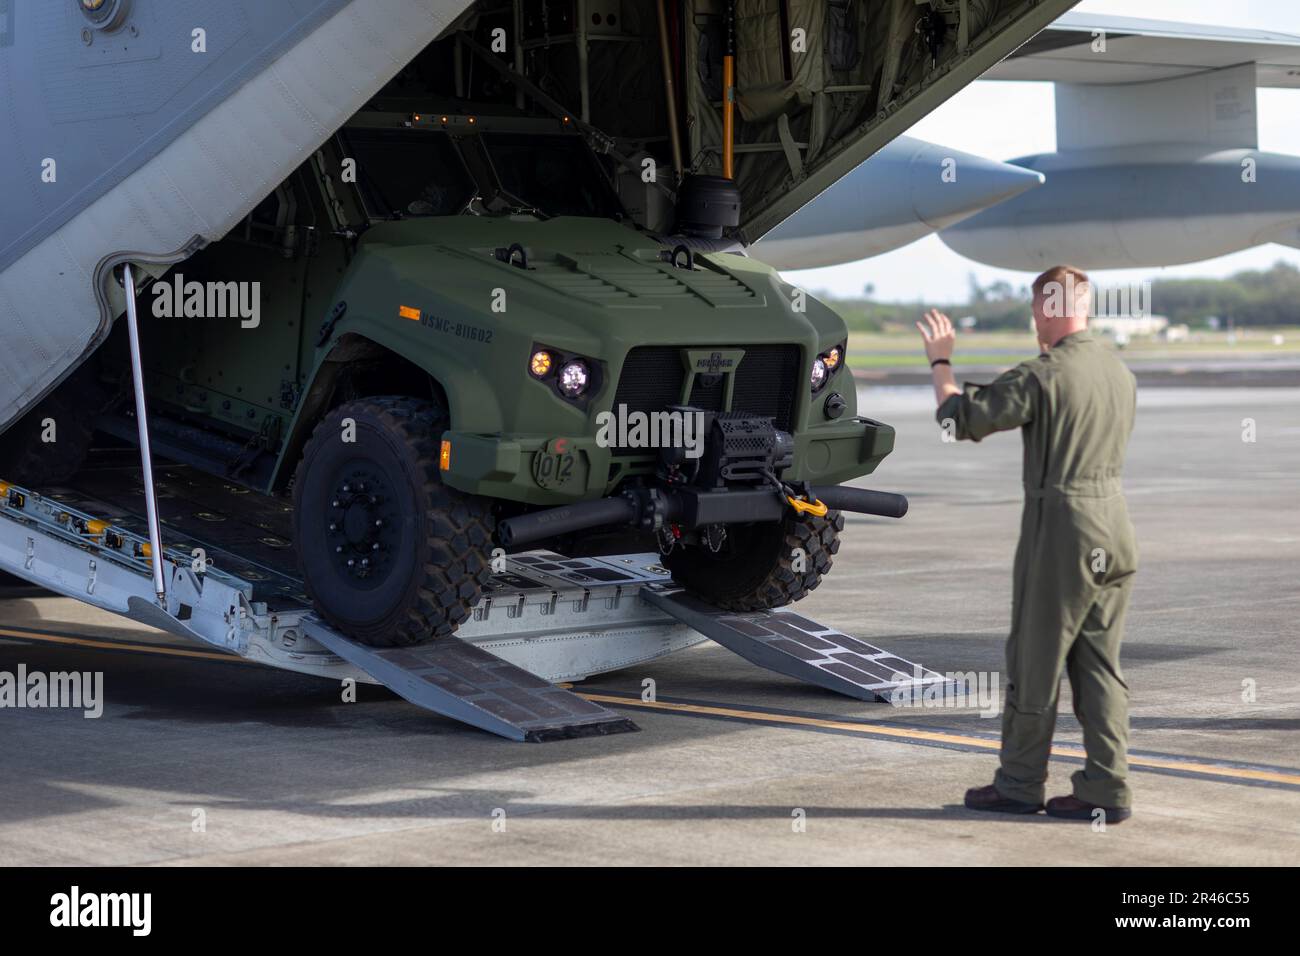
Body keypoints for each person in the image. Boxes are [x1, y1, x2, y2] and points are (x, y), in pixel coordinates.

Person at [916, 265, 1139, 823]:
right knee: (1099, 668)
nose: (1033, 321)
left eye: (1035, 309)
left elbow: (960, 421)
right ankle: (1106, 788)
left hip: (1064, 526)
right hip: (1115, 525)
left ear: (1050, 308)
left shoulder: (1044, 374)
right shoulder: (1119, 371)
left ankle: (1019, 783)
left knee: (1034, 660)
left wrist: (941, 363)